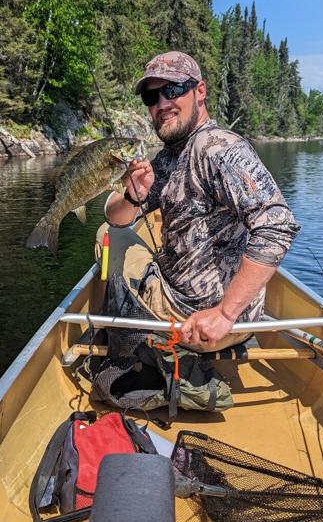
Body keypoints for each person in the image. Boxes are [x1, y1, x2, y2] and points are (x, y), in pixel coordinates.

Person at [101, 50, 300, 352]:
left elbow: (278, 225)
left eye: (172, 90)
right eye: (152, 98)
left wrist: (223, 314)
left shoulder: (218, 148)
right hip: (237, 320)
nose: (162, 104)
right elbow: (115, 215)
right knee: (113, 227)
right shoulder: (171, 157)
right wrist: (132, 195)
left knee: (104, 237)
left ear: (201, 91)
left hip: (199, 323)